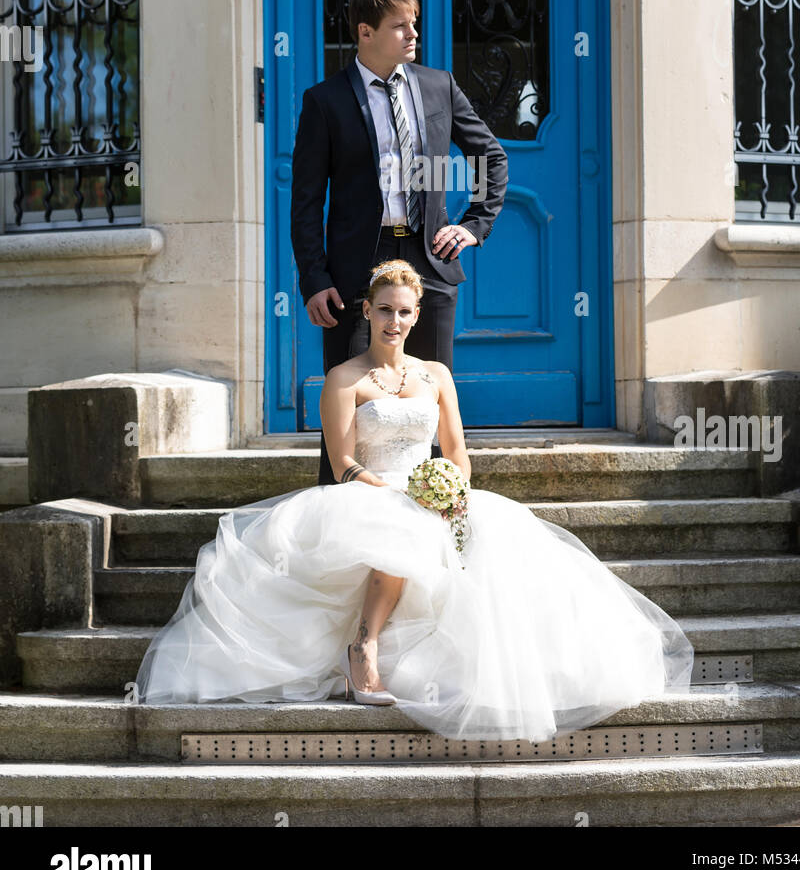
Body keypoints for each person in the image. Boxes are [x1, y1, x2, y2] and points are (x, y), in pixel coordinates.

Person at [135, 260, 694, 743]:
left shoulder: (437, 375)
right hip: (369, 490)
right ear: (367, 311)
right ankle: (365, 650)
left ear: (417, 315)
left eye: (404, 312)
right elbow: (342, 462)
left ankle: (476, 669)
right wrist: (393, 492)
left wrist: (450, 490)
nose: (394, 322)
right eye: (384, 310)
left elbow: (455, 450)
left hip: (431, 490)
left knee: (500, 545)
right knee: (397, 528)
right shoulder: (343, 379)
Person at [290, 0, 508, 484]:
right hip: (351, 274)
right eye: (399, 26)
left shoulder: (438, 86)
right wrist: (314, 277)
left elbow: (490, 156)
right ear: (365, 32)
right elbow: (305, 201)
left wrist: (475, 224)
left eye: (414, 23)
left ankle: (434, 528)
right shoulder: (325, 101)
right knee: (345, 418)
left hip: (428, 260)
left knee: (427, 407)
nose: (413, 34)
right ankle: (342, 543)